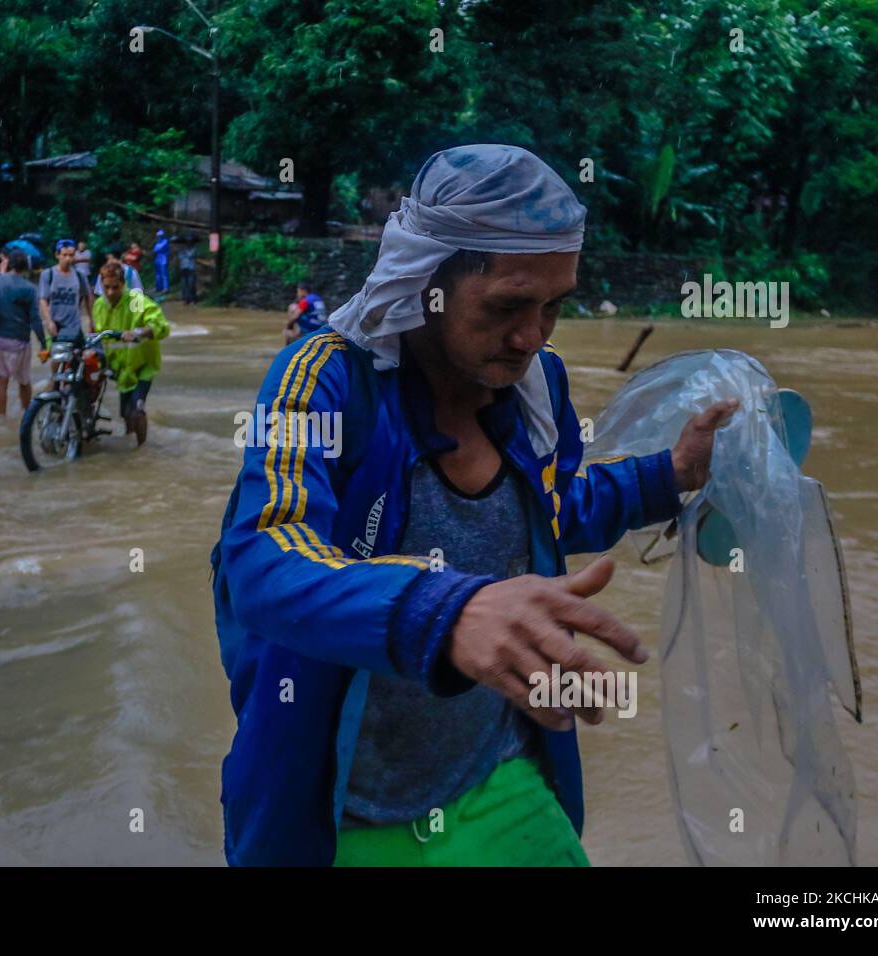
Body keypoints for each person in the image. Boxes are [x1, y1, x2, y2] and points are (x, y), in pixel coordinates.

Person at [209, 145, 738, 867]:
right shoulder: (321, 380)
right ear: (424, 280)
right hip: (341, 812)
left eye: (554, 306)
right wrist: (444, 611)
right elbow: (263, 557)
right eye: (507, 306)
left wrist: (671, 474)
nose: (533, 336)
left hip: (501, 772)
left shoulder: (537, 387)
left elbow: (547, 514)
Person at [93, 261, 169, 446]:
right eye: (106, 287)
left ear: (123, 284)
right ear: (101, 285)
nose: (110, 292)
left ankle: (141, 448)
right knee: (125, 413)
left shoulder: (135, 301)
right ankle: (129, 444)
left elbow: (160, 326)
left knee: (136, 409)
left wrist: (139, 332)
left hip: (143, 366)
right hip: (121, 368)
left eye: (115, 287)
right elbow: (98, 334)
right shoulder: (100, 305)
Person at [0, 248, 44, 418]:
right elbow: (35, 319)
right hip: (20, 342)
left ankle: (0, 418)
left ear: (9, 264)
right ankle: (27, 416)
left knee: (0, 381)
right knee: (24, 381)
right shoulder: (30, 289)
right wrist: (43, 341)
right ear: (26, 268)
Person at [38, 239, 94, 345]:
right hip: (55, 323)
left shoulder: (79, 276)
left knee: (80, 355)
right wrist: (48, 321)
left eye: (71, 255)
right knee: (57, 357)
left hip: (74, 324)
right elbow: (43, 299)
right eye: (64, 255)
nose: (68, 258)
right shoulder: (48, 274)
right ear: (57, 255)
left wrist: (92, 319)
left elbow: (88, 296)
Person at [177, 234, 198, 304]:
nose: (188, 243)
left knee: (191, 284)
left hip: (191, 267)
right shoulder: (181, 249)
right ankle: (186, 298)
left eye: (189, 241)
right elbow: (180, 257)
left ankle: (193, 298)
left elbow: (190, 255)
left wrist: (185, 251)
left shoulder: (193, 248)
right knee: (184, 284)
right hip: (183, 268)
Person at [152, 229, 170, 294]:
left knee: (164, 275)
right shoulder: (158, 242)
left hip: (163, 260)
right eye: (157, 236)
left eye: (159, 235)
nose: (158, 237)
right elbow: (154, 249)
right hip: (157, 260)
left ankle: (166, 288)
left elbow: (157, 249)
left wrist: (156, 248)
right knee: (158, 275)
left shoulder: (165, 241)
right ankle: (159, 287)